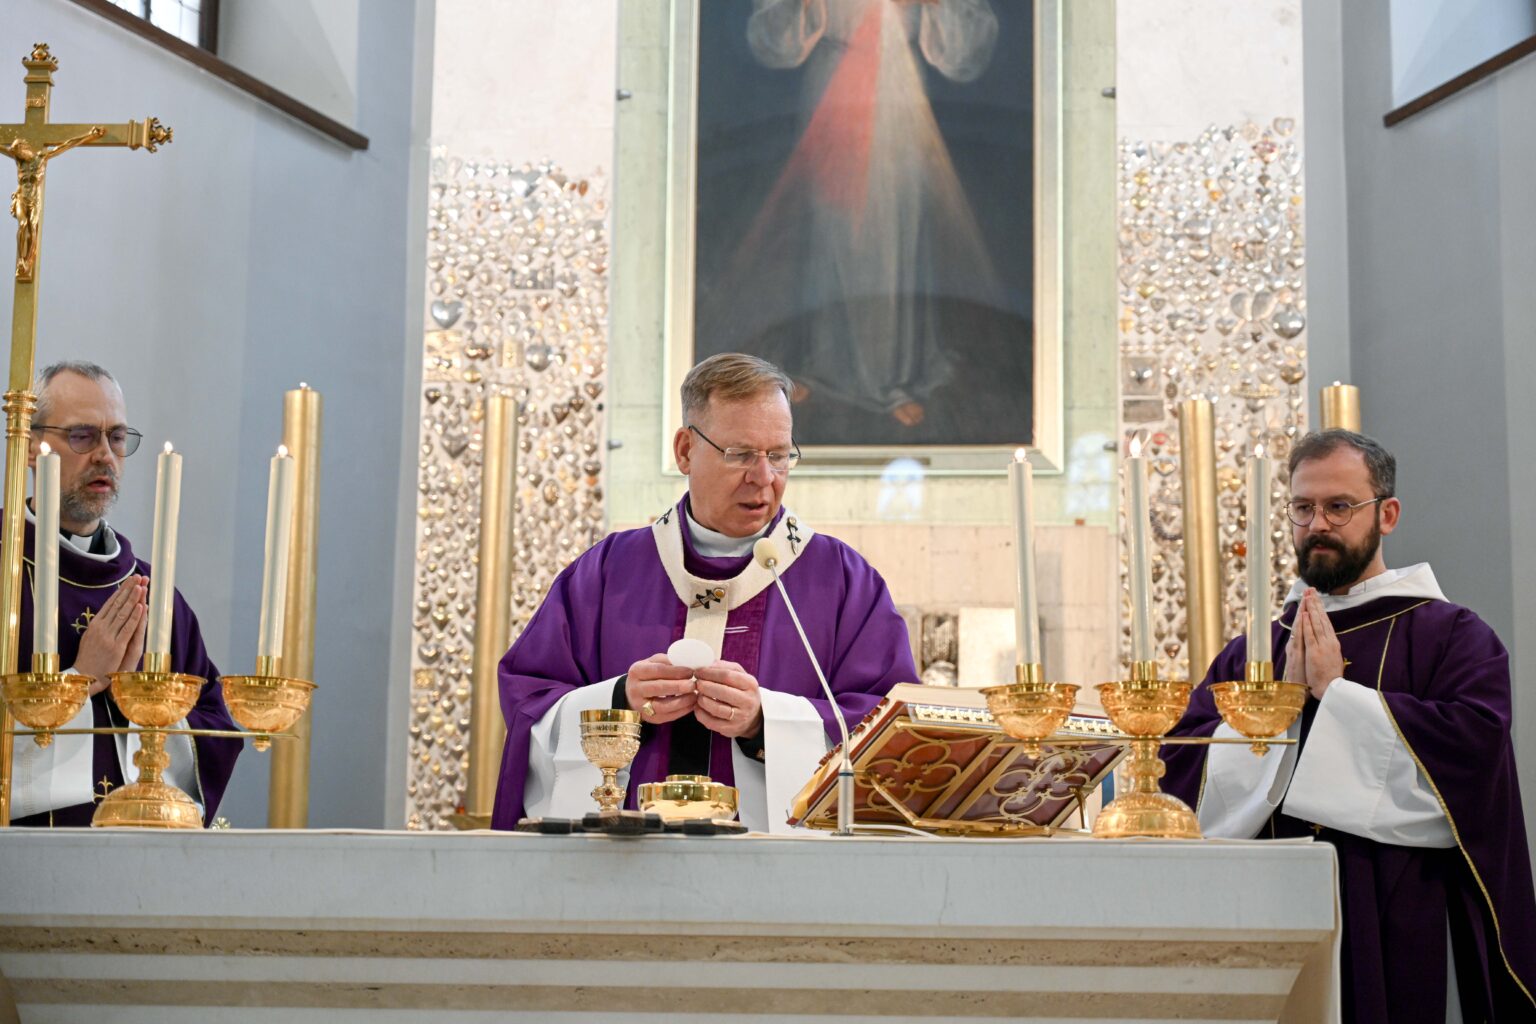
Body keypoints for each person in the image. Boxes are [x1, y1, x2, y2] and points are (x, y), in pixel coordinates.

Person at [1164, 430, 1536, 1021]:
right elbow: (1180, 768)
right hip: (1256, 913)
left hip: (1389, 907)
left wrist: (1338, 696)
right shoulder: (1254, 651)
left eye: (1339, 506)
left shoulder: (1453, 637)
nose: (1318, 524)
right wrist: (1279, 708)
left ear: (1386, 514)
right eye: (1303, 507)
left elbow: (1473, 755)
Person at [491, 353, 917, 832]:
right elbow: (530, 701)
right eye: (739, 454)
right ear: (685, 451)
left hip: (779, 880)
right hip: (623, 869)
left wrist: (765, 722)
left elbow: (892, 732)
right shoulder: (609, 572)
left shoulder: (842, 582)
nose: (764, 477)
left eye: (778, 454)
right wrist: (618, 703)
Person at [7, 362, 241, 827]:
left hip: (139, 862)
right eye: (81, 436)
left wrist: (147, 706)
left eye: (116, 437)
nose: (104, 456)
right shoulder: (7, 571)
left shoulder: (155, 598)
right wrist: (83, 681)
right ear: (32, 448)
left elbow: (215, 729)